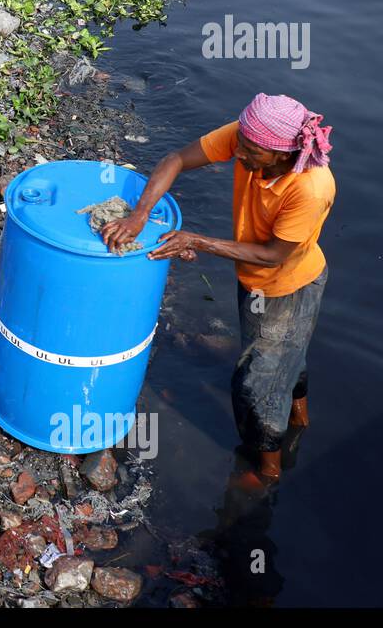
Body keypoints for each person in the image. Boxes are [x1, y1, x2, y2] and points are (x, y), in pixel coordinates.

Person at [102, 93, 335, 493]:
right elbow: (175, 159)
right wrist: (140, 214)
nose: (238, 152)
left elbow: (273, 255)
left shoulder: (310, 188)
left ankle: (268, 473)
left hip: (288, 289)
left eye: (251, 151)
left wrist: (198, 241)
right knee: (285, 362)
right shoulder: (250, 136)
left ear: (282, 154)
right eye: (240, 142)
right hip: (255, 282)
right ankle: (300, 420)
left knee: (258, 385)